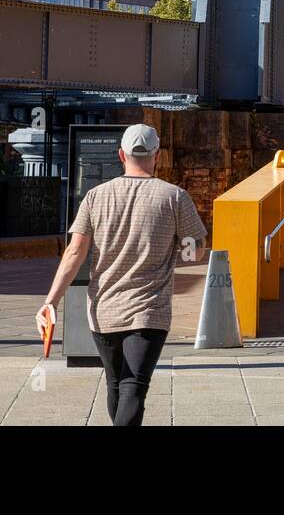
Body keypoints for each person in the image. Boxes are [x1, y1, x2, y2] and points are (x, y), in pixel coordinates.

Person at [37, 124, 207, 426]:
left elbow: (74, 252)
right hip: (149, 311)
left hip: (104, 311)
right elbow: (193, 250)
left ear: (121, 155)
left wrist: (51, 301)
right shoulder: (174, 197)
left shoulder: (95, 196)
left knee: (117, 383)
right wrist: (183, 246)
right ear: (157, 156)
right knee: (134, 386)